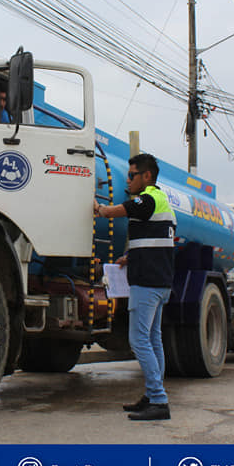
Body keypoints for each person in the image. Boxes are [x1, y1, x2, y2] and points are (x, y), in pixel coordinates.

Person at [94, 153, 175, 421]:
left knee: (138, 340)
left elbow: (121, 210)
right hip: (159, 281)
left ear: (147, 176)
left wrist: (100, 209)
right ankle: (153, 396)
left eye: (132, 175)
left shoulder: (149, 197)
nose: (128, 180)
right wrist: (131, 257)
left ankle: (159, 400)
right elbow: (157, 240)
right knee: (153, 339)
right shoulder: (162, 202)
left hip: (147, 282)